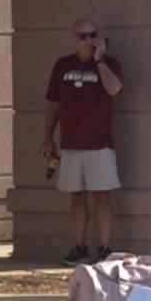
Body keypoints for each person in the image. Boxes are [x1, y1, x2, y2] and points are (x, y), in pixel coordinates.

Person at [43, 18, 123, 266]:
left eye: (91, 36)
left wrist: (99, 61)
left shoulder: (110, 64)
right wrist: (48, 138)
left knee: (102, 196)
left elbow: (114, 90)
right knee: (76, 198)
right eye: (81, 36)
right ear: (74, 38)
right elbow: (53, 105)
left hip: (99, 144)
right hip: (70, 144)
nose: (86, 41)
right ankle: (79, 247)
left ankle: (106, 248)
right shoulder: (62, 65)